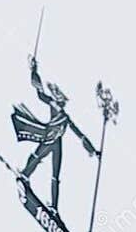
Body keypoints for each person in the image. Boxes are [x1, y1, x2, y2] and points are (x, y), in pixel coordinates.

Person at [11, 58, 97, 210]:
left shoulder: (65, 117)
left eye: (61, 99)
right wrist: (33, 71)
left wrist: (92, 151)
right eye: (59, 98)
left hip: (56, 144)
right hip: (48, 139)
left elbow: (80, 135)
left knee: (55, 175)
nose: (59, 101)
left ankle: (54, 207)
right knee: (36, 158)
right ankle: (25, 175)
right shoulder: (53, 105)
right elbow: (39, 93)